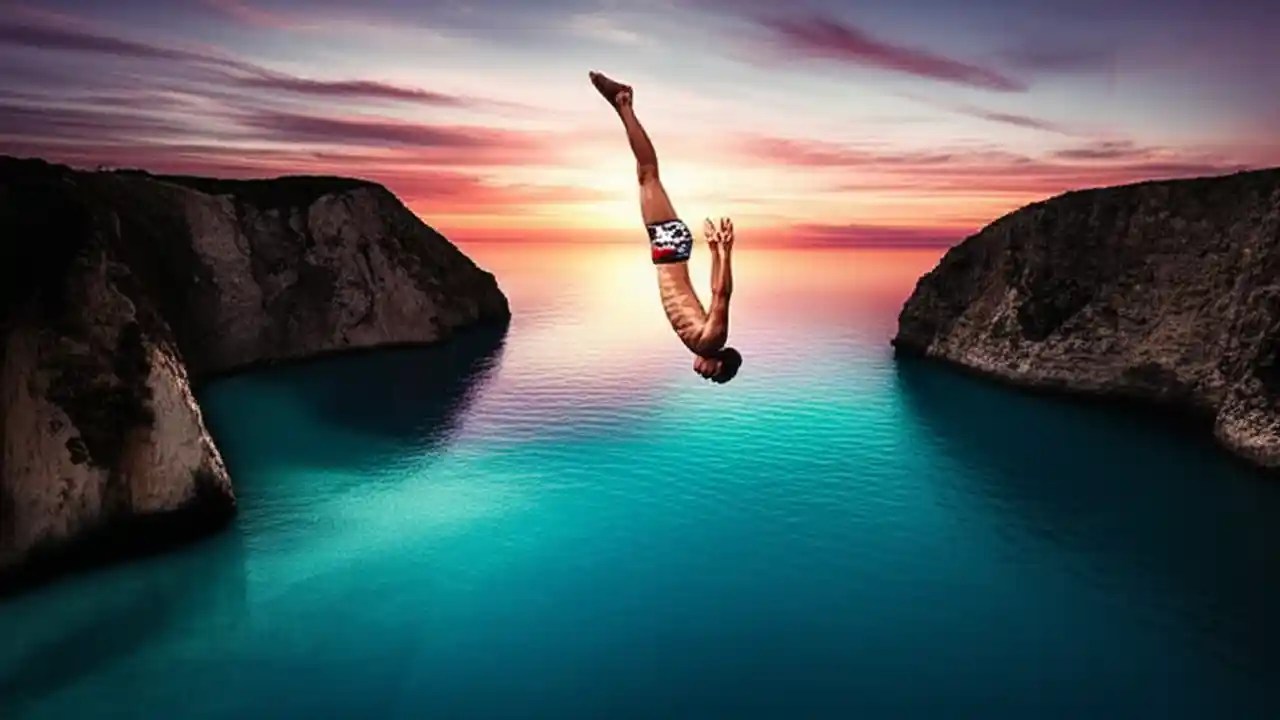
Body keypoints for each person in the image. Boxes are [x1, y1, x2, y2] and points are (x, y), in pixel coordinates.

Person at [589, 70, 743, 384]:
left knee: (646, 175)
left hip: (669, 253)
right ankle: (624, 103)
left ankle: (624, 107)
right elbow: (721, 294)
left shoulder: (701, 342)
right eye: (713, 376)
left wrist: (715, 250)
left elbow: (714, 298)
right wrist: (724, 252)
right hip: (670, 251)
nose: (704, 376)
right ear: (720, 363)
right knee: (648, 174)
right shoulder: (712, 341)